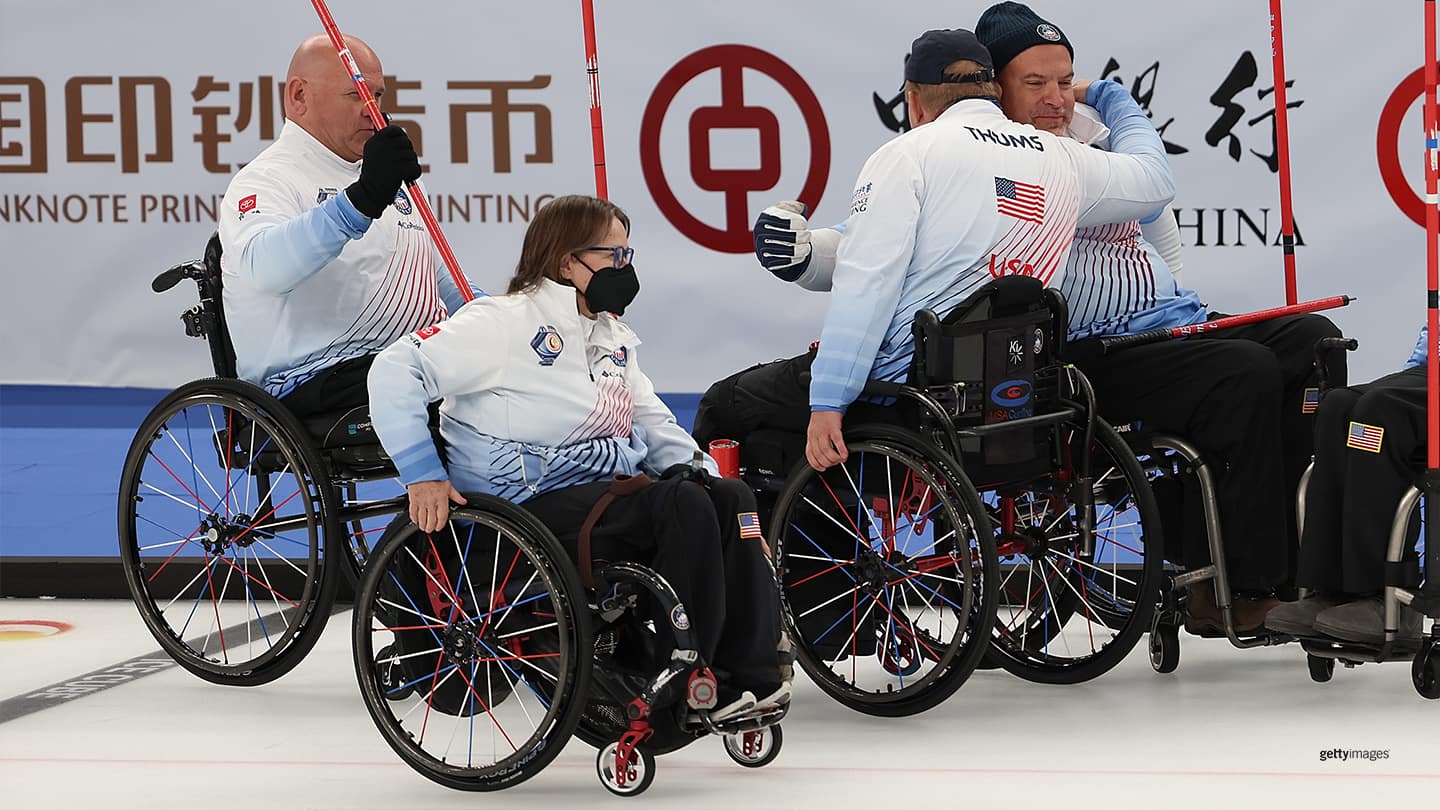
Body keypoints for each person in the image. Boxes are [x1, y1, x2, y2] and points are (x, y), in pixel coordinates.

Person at [741, 3, 1343, 634]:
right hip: (1075, 353)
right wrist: (805, 256)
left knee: (1313, 343)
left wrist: (1168, 290)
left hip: (1162, 322)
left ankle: (1302, 571)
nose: (1058, 99)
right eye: (1037, 84)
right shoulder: (988, 159)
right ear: (988, 87)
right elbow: (865, 248)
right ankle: (1231, 585)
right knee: (1239, 370)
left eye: (1066, 81)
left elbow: (1160, 233)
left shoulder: (1081, 143)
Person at [367, 194, 788, 721]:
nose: (624, 269)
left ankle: (750, 678)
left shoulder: (611, 335)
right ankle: (686, 674)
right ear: (567, 262)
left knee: (728, 494)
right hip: (526, 506)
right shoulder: (503, 322)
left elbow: (652, 422)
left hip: (604, 495)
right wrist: (422, 474)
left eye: (627, 256)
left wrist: (701, 471)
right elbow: (393, 371)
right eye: (612, 256)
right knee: (684, 505)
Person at [696, 27, 1174, 473]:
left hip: (913, 388)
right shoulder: (1063, 158)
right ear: (994, 91)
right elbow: (1153, 181)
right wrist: (1115, 99)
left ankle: (771, 559)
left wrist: (828, 401)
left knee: (726, 404)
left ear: (913, 102)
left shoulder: (908, 155)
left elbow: (868, 283)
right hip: (1017, 383)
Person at [218, 33, 477, 417]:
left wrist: (508, 321)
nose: (372, 111)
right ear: (299, 95)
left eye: (379, 97)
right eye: (356, 95)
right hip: (312, 376)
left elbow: (439, 284)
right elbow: (263, 270)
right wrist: (360, 202)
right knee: (470, 388)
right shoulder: (265, 179)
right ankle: (436, 480)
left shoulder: (387, 178)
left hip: (400, 357)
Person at [1264, 326, 1431, 643]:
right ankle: (1332, 589)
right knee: (1336, 406)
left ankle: (1388, 598)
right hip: (1427, 373)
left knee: (1378, 409)